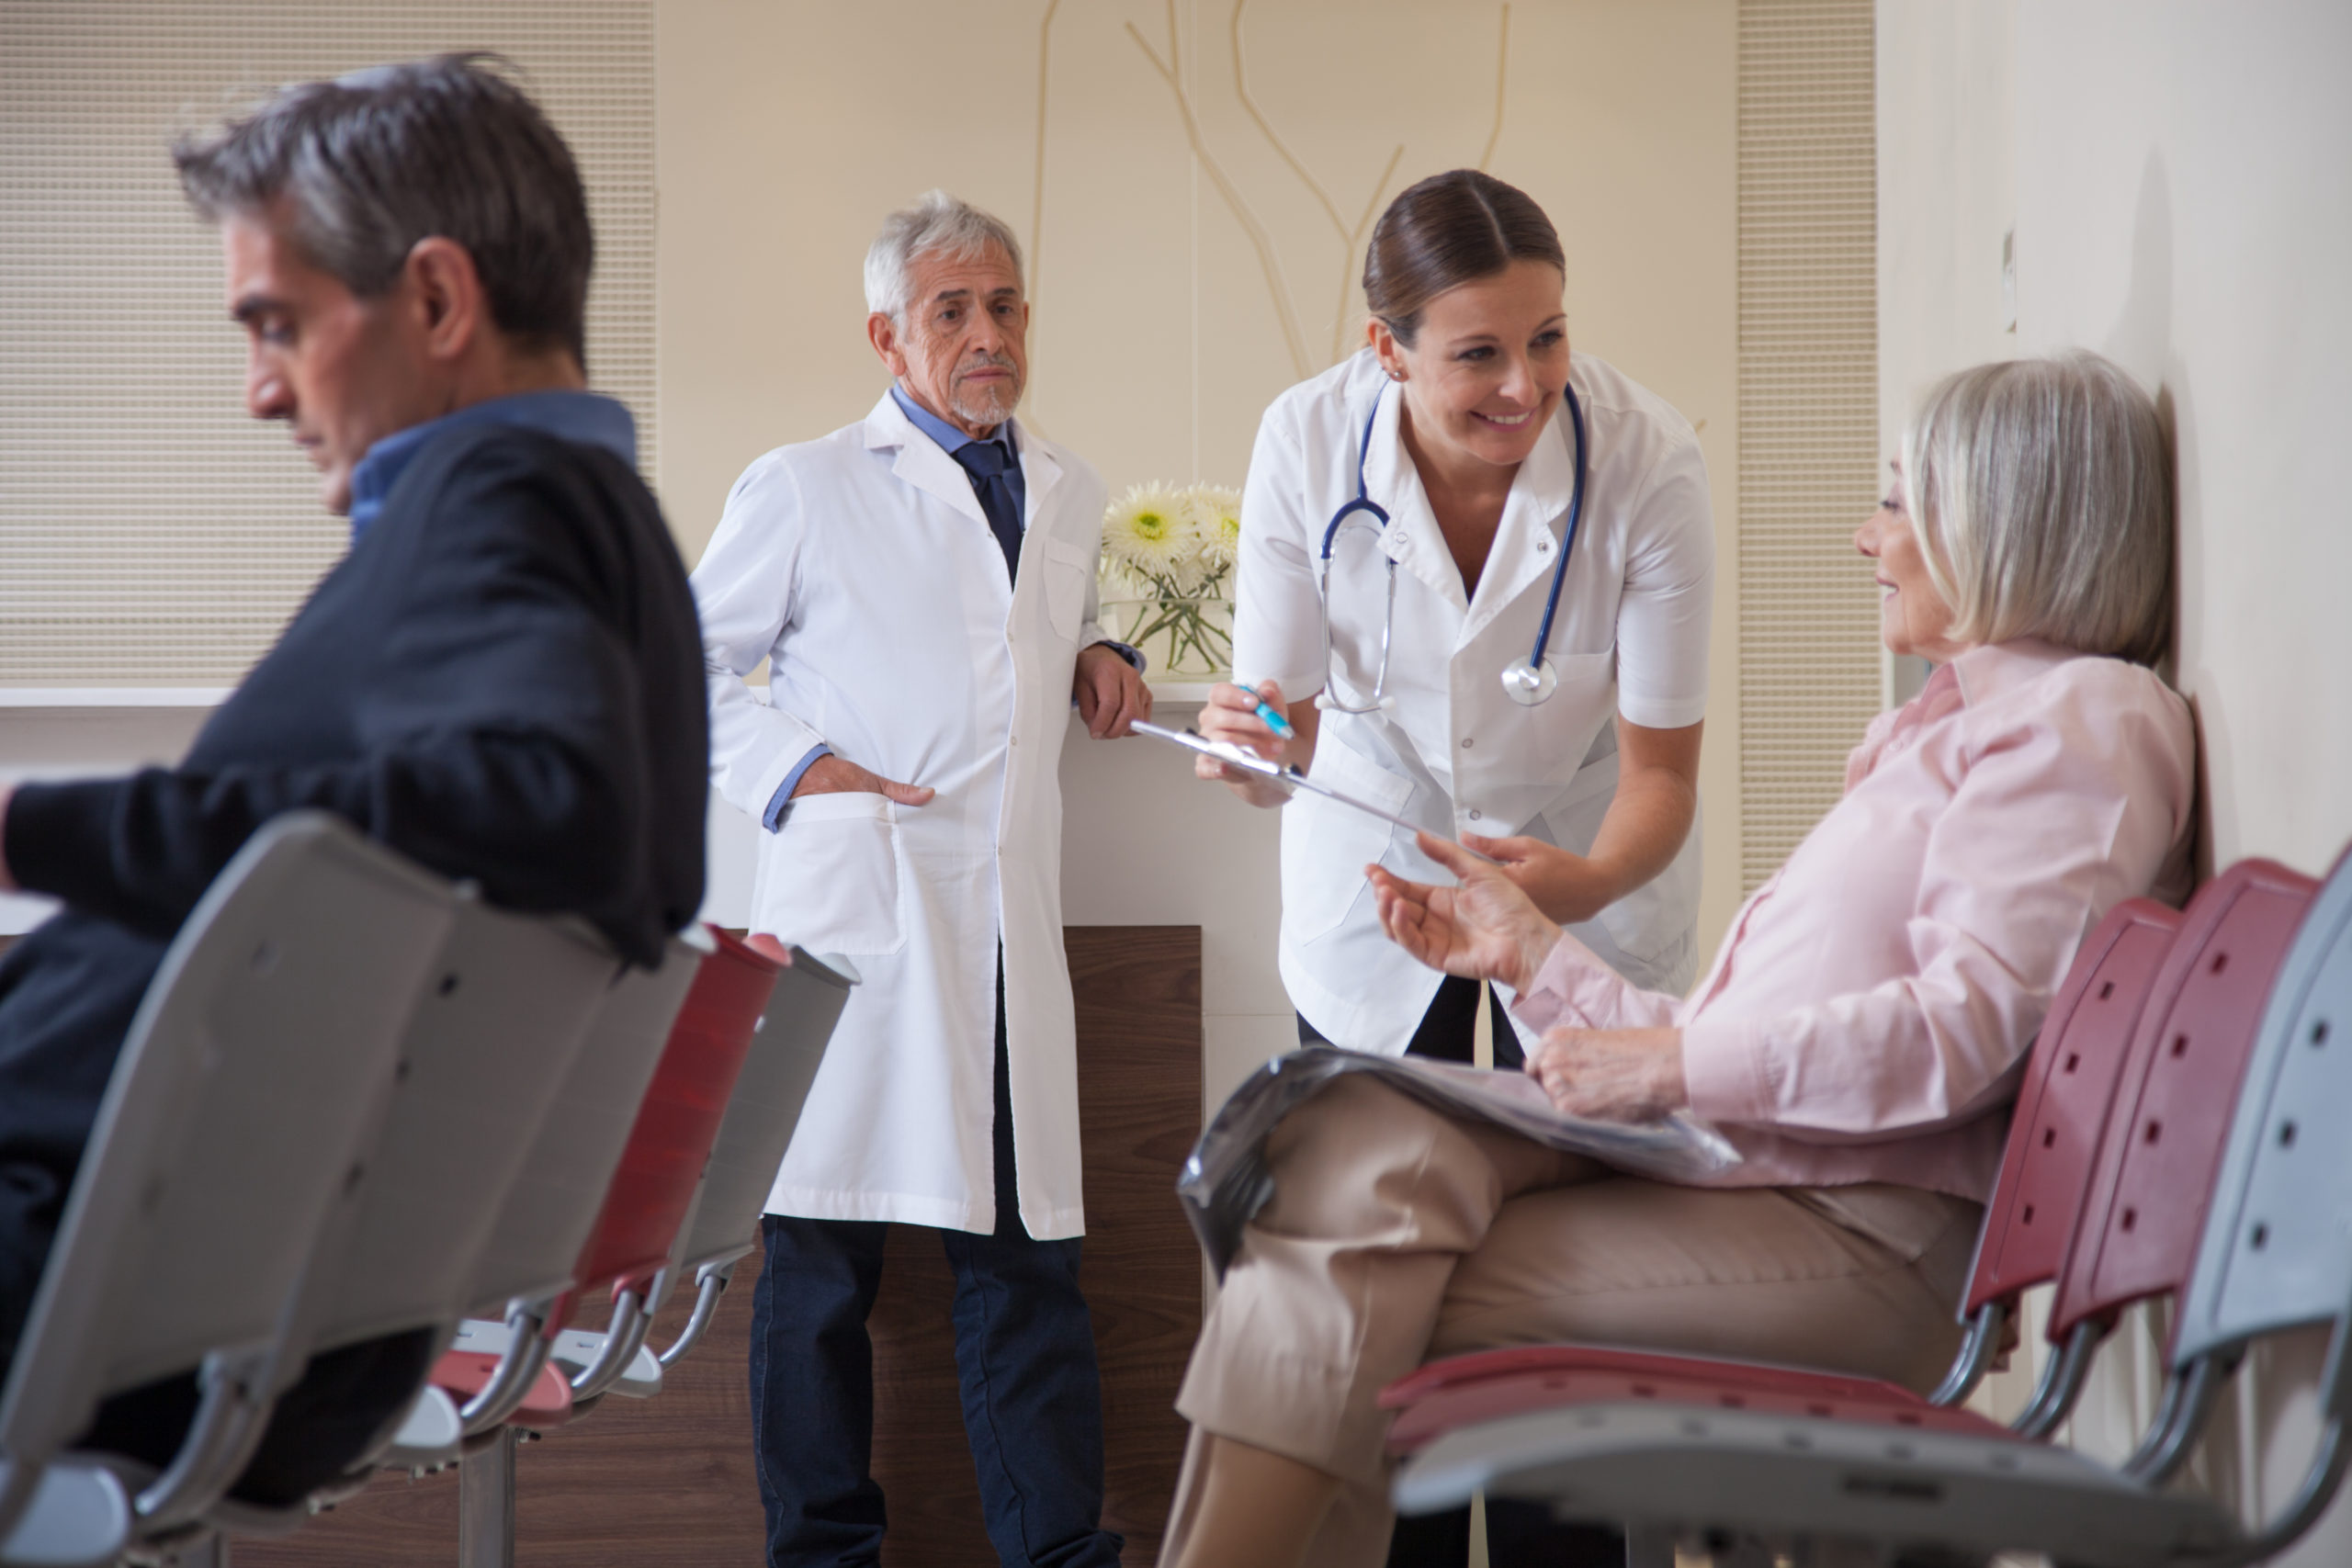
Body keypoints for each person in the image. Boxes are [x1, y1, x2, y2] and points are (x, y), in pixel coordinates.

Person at [1160, 350, 2195, 1568]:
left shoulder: (2077, 721)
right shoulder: (1943, 734)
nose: (1869, 536)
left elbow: (1956, 1031)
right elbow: (1736, 1036)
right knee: (1361, 1147)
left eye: (1904, 503)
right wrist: (1533, 954)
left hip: (1862, 1236)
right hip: (1767, 1179)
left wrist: (1667, 1064)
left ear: (2013, 520)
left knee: (1321, 1262)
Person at [0, 56, 707, 1501]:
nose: (261, 392)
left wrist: (33, 825)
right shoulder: (589, 525)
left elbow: (547, 798)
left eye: (279, 324)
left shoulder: (501, 499)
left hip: (89, 1273)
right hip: (197, 1291)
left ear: (439, 303)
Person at [693, 190, 1149, 1568]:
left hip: (1006, 923)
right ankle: (822, 1551)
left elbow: (1025, 624)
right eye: (952, 310)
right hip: (861, 912)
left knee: (1027, 1265)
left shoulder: (1066, 485)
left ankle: (1059, 1548)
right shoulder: (807, 479)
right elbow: (685, 668)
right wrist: (798, 768)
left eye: (1005, 304)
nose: (988, 331)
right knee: (823, 1267)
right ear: (889, 337)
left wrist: (1105, 647)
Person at [1195, 170, 1715, 1094]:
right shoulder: (1305, 443)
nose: (1525, 385)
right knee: (1378, 1186)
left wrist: (1591, 883)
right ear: (1387, 351)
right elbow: (1290, 734)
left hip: (1584, 846)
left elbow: (1663, 771)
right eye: (1478, 354)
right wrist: (1252, 752)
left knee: (1580, 1194)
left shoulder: (1649, 460)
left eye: (1548, 339)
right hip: (1379, 846)